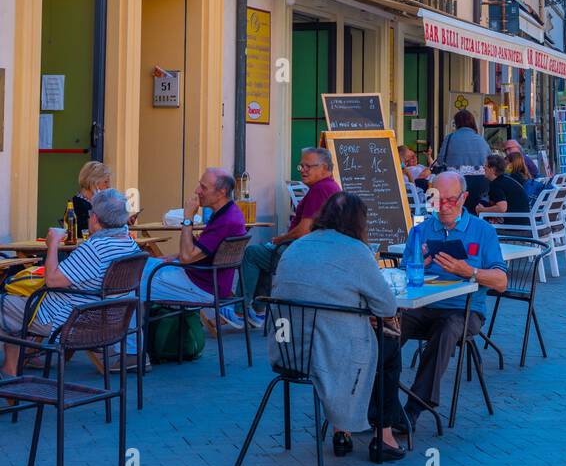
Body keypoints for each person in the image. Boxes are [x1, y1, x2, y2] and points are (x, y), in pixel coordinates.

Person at [269, 191, 406, 463]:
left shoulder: (295, 247)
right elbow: (387, 307)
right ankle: (384, 436)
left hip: (288, 353)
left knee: (339, 333)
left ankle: (341, 431)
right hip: (330, 356)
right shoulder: (357, 251)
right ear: (359, 222)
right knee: (388, 348)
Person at [399, 171, 507, 427]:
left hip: (465, 311)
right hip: (422, 307)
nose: (444, 207)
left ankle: (414, 408)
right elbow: (402, 275)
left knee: (446, 330)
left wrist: (469, 271)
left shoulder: (483, 231)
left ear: (464, 198)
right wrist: (418, 264)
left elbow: (502, 282)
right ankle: (379, 403)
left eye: (451, 200)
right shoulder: (421, 229)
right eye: (437, 200)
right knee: (386, 328)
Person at [0, 189, 141, 377]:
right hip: (108, 322)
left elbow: (51, 280)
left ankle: (11, 371)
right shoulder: (130, 245)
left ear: (95, 218)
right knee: (15, 305)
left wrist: (52, 244)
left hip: (68, 321)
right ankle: (12, 368)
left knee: (6, 304)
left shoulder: (95, 249)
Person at [236, 148, 340, 327]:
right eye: (302, 166)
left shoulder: (320, 189)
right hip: (315, 252)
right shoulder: (330, 187)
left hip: (302, 254)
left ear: (324, 168)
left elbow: (304, 230)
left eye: (309, 166)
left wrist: (282, 238)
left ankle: (239, 311)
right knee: (264, 256)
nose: (303, 170)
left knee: (253, 253)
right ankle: (259, 311)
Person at [141, 168, 246, 323]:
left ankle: (129, 345)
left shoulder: (226, 221)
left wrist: (188, 218)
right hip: (206, 279)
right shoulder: (230, 212)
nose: (197, 191)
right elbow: (200, 252)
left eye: (203, 187)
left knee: (134, 284)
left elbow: (187, 257)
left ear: (221, 191)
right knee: (140, 265)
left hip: (202, 286)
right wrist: (173, 256)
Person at [475, 153, 530, 220]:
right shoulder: (505, 179)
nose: (483, 167)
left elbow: (502, 208)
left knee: (480, 205)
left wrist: (483, 210)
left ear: (492, 169)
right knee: (483, 203)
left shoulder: (496, 184)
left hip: (517, 221)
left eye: (485, 165)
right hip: (524, 218)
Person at [65, 161, 112, 233]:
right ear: (93, 181)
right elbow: (88, 230)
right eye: (105, 182)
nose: (108, 186)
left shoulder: (97, 202)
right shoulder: (77, 204)